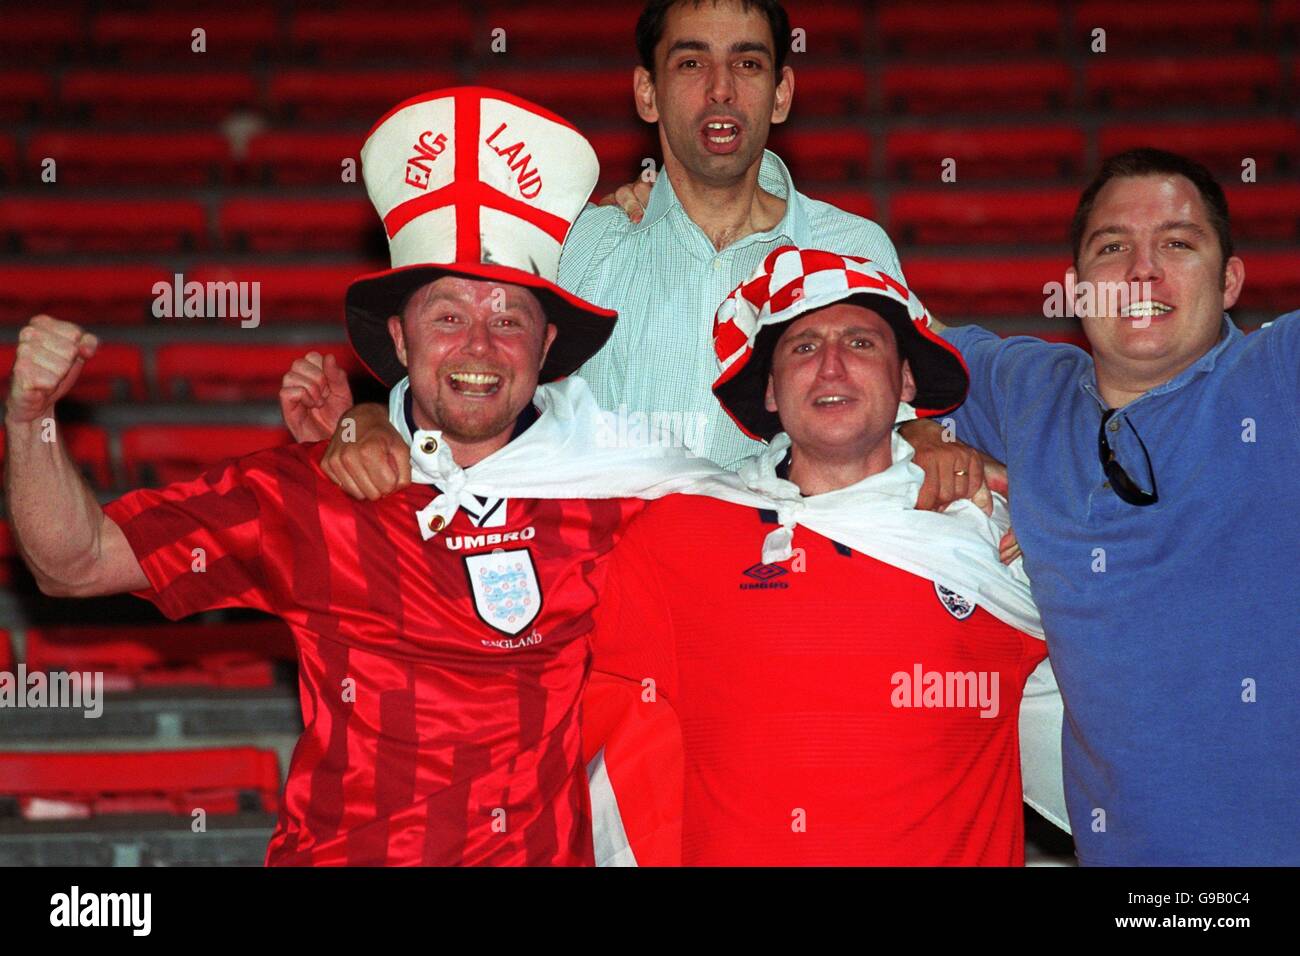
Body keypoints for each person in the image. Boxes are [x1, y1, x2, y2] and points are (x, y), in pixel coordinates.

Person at [3, 88, 650, 866]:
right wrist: (30, 416)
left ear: (546, 348)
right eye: (447, 317)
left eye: (509, 319)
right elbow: (72, 564)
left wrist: (661, 234)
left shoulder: (617, 494)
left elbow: (777, 481)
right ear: (400, 343)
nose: (479, 347)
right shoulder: (307, 494)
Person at [283, 0, 941, 480]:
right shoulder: (586, 242)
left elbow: (907, 415)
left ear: (782, 93)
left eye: (747, 62)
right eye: (690, 63)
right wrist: (372, 420)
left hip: (788, 602)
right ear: (646, 94)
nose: (720, 90)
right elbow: (487, 376)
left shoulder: (855, 249)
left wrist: (939, 441)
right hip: (609, 610)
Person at [582, 247, 1055, 865]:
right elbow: (585, 732)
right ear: (772, 391)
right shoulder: (675, 532)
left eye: (860, 343)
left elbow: (1112, 711)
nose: (831, 366)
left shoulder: (995, 534)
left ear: (906, 380)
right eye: (803, 347)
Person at [900, 148, 1300, 865]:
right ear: (1078, 289)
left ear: (1231, 278)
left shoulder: (1278, 374)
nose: (1142, 270)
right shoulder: (1029, 389)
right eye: (1113, 248)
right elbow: (861, 350)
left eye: (1178, 243)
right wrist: (924, 434)